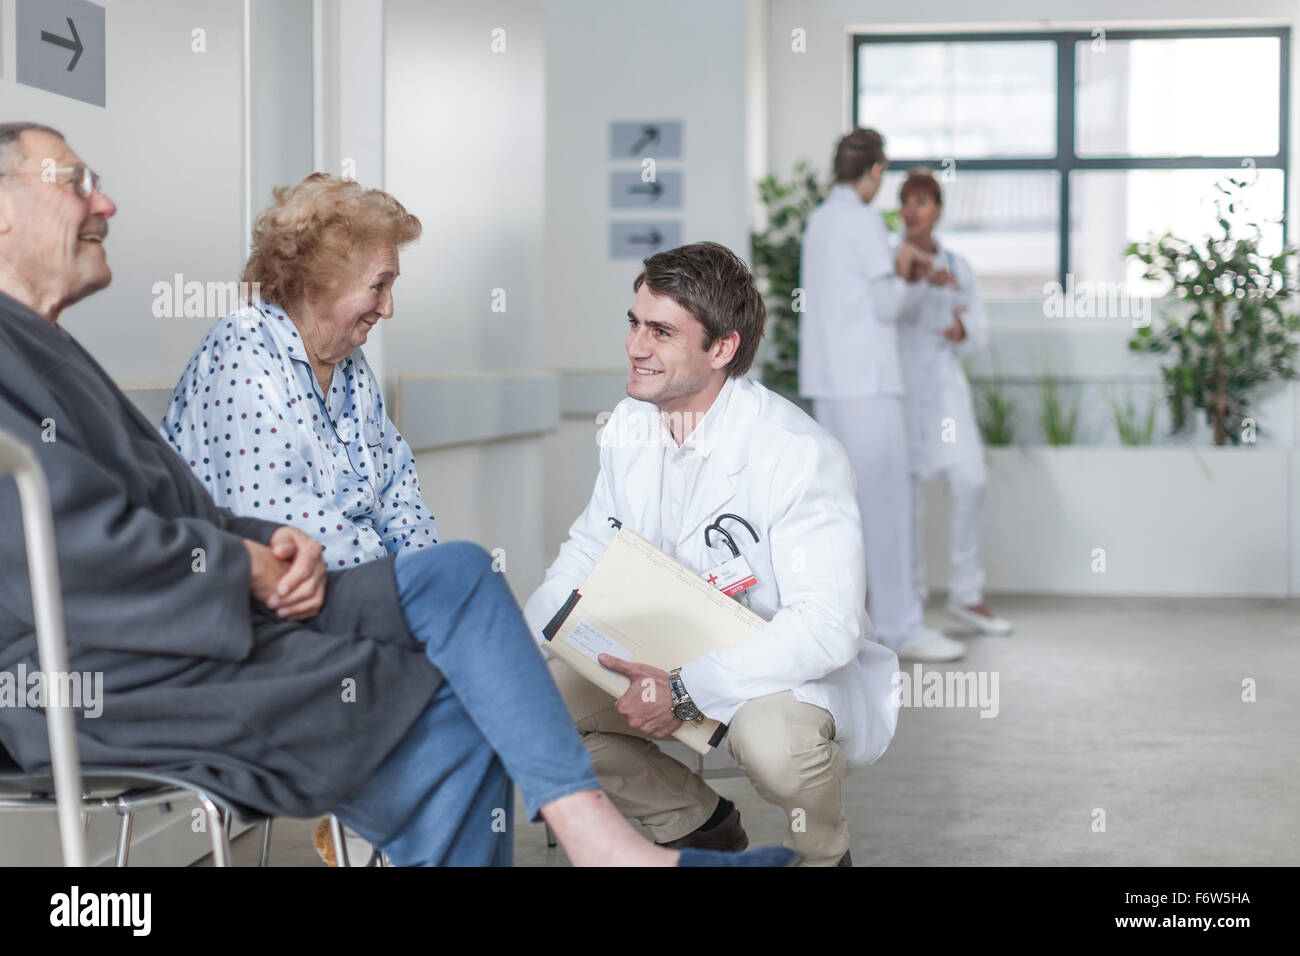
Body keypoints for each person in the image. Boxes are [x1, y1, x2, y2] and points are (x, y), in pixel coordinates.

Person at [0, 121, 795, 867]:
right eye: (75, 183)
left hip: (197, 614)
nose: (104, 201)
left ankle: (600, 843)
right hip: (111, 668)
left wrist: (259, 545)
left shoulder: (51, 347)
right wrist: (248, 557)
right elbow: (78, 549)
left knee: (456, 581)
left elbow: (348, 505)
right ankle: (609, 846)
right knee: (461, 695)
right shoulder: (221, 352)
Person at [523, 241, 900, 867]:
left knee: (779, 751)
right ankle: (696, 823)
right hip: (655, 649)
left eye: (662, 332)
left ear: (721, 348)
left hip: (770, 665)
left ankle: (825, 854)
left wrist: (686, 689)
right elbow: (587, 551)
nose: (637, 347)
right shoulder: (628, 424)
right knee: (526, 710)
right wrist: (533, 646)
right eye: (635, 323)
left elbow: (827, 626)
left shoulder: (798, 453)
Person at [158, 174, 439, 863]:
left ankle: (385, 831)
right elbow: (282, 524)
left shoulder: (347, 367)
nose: (389, 308)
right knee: (453, 654)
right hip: (258, 608)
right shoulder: (243, 349)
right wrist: (411, 599)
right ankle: (389, 828)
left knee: (456, 615)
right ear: (318, 277)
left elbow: (399, 491)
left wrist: (424, 580)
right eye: (379, 285)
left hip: (342, 601)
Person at [798, 127, 966, 662]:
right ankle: (902, 627)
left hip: (830, 385)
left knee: (841, 509)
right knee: (888, 509)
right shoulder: (862, 221)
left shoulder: (820, 221)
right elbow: (887, 307)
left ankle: (851, 625)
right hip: (869, 383)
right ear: (873, 172)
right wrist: (910, 275)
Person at [895, 169, 1011, 635]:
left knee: (970, 478)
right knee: (907, 501)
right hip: (900, 391)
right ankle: (911, 602)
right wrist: (916, 280)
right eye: (907, 201)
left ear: (939, 211)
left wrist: (961, 329)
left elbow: (978, 327)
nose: (913, 210)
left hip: (944, 387)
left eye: (923, 202)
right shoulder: (888, 256)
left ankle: (966, 594)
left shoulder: (958, 266)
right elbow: (880, 314)